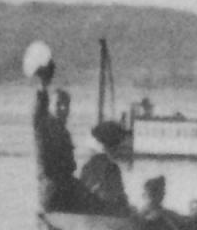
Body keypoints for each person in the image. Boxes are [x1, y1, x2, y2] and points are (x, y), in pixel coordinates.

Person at [30, 54, 87, 213]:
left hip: (67, 187)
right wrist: (43, 85)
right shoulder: (45, 126)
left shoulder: (65, 133)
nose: (63, 108)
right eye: (58, 104)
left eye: (66, 105)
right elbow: (39, 112)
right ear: (51, 106)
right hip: (52, 190)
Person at [78, 121, 132, 213]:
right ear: (115, 145)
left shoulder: (89, 164)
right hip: (104, 216)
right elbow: (114, 197)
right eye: (121, 144)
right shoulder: (111, 167)